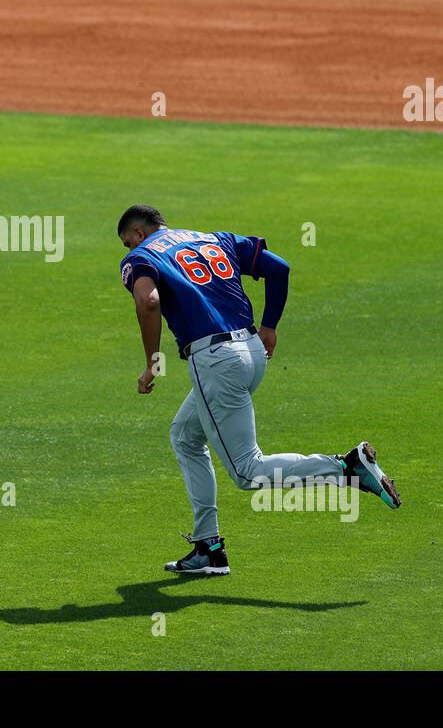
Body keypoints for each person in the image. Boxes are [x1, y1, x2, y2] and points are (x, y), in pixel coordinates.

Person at [117, 205, 401, 576]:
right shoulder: (214, 238)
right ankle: (209, 548)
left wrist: (152, 361)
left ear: (138, 233)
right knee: (185, 436)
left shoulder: (143, 255)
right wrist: (270, 325)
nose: (127, 250)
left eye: (126, 242)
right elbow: (279, 267)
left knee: (248, 472)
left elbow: (149, 301)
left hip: (215, 359)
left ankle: (347, 467)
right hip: (252, 351)